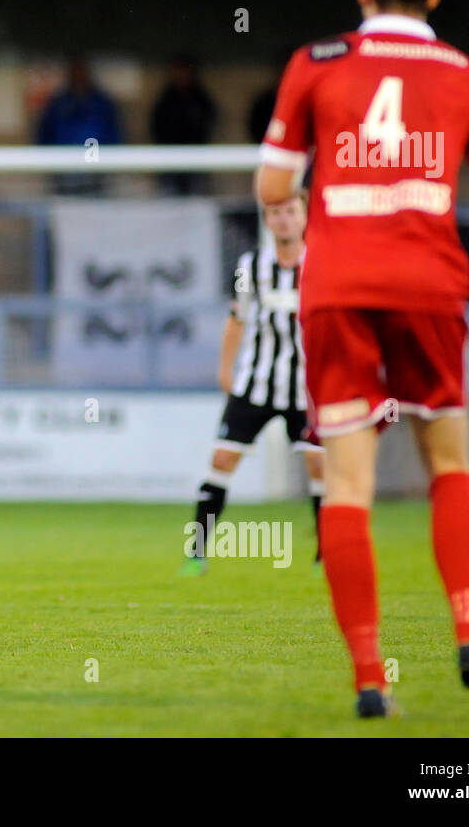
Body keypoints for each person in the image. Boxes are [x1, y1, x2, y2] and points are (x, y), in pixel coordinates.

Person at [258, 0, 469, 718]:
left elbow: (274, 179)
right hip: (431, 286)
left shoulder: (316, 64)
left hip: (338, 286)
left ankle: (371, 681)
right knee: (448, 462)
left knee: (347, 484)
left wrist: (316, 222)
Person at [181, 191, 324, 575]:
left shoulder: (322, 265)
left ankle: (324, 556)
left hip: (305, 388)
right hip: (255, 383)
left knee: (320, 465)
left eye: (290, 211)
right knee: (222, 459)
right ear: (267, 220)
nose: (282, 219)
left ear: (304, 216)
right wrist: (225, 368)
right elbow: (237, 319)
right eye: (275, 213)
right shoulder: (251, 265)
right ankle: (196, 553)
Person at [35, 57, 121, 195]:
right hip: (64, 169)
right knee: (67, 209)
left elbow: (114, 134)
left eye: (81, 70)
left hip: (96, 168)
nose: (78, 75)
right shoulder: (57, 103)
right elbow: (45, 135)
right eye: (74, 71)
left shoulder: (101, 103)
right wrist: (50, 161)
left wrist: (110, 160)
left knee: (94, 208)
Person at [150, 53, 217, 195]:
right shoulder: (165, 101)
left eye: (186, 71)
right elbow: (157, 128)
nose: (182, 76)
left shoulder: (201, 99)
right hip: (169, 163)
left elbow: (210, 122)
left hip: (197, 162)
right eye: (179, 71)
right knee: (170, 203)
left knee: (196, 202)